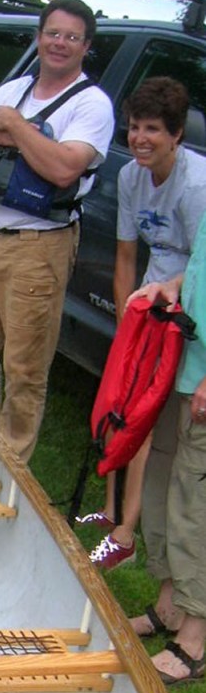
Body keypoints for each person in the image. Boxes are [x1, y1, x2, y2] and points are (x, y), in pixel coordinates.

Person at [0, 0, 114, 463]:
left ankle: (11, 469)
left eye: (72, 37)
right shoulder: (10, 92)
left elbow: (64, 170)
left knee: (24, 369)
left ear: (86, 47)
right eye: (53, 33)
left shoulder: (91, 105)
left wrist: (17, 130)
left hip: (39, 247)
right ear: (39, 37)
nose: (60, 43)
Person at [81, 77, 206, 569]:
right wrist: (123, 326)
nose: (140, 138)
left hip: (183, 303)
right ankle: (111, 510)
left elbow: (200, 265)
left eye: (153, 129)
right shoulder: (133, 176)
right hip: (144, 302)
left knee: (144, 420)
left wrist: (163, 306)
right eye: (134, 128)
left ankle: (128, 534)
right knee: (119, 401)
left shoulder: (196, 186)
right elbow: (126, 256)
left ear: (176, 134)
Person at [124, 237, 206, 684]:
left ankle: (194, 642)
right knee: (163, 484)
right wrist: (174, 285)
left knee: (196, 503)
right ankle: (170, 607)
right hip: (184, 364)